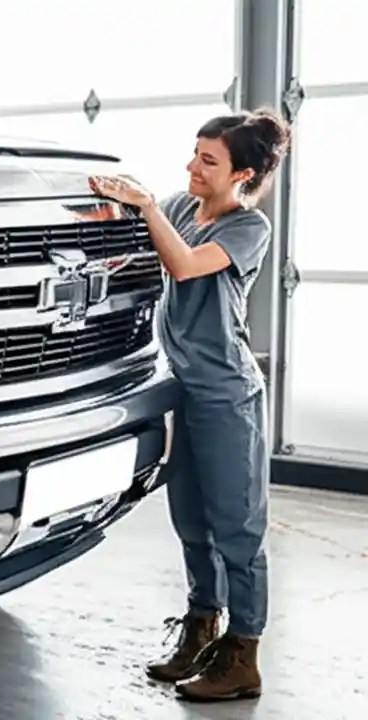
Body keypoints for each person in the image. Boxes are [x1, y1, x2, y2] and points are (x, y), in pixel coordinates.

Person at [88, 107, 292, 703]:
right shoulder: (180, 206)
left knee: (238, 528)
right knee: (192, 523)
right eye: (193, 154)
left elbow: (181, 262)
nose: (192, 167)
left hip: (227, 394)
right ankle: (201, 628)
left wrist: (147, 205)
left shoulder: (248, 227)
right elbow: (145, 253)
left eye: (208, 161)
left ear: (242, 174)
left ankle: (242, 653)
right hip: (181, 386)